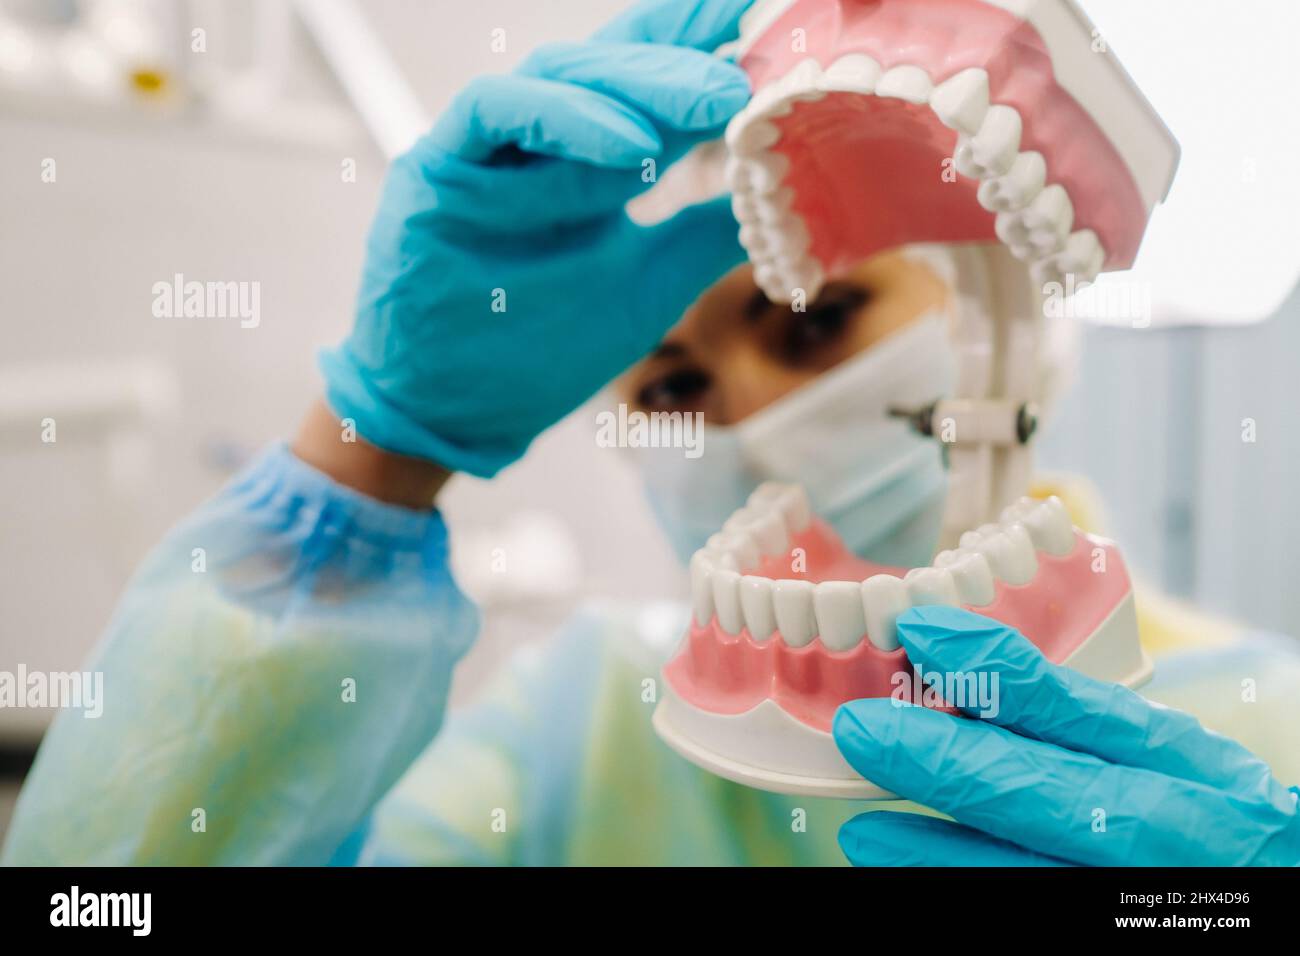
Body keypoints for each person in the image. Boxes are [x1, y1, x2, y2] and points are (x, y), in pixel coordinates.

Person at [3, 0, 1298, 867]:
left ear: (1012, 330)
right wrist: (378, 456)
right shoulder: (576, 729)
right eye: (672, 387)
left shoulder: (1259, 745)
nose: (754, 419)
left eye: (816, 322)